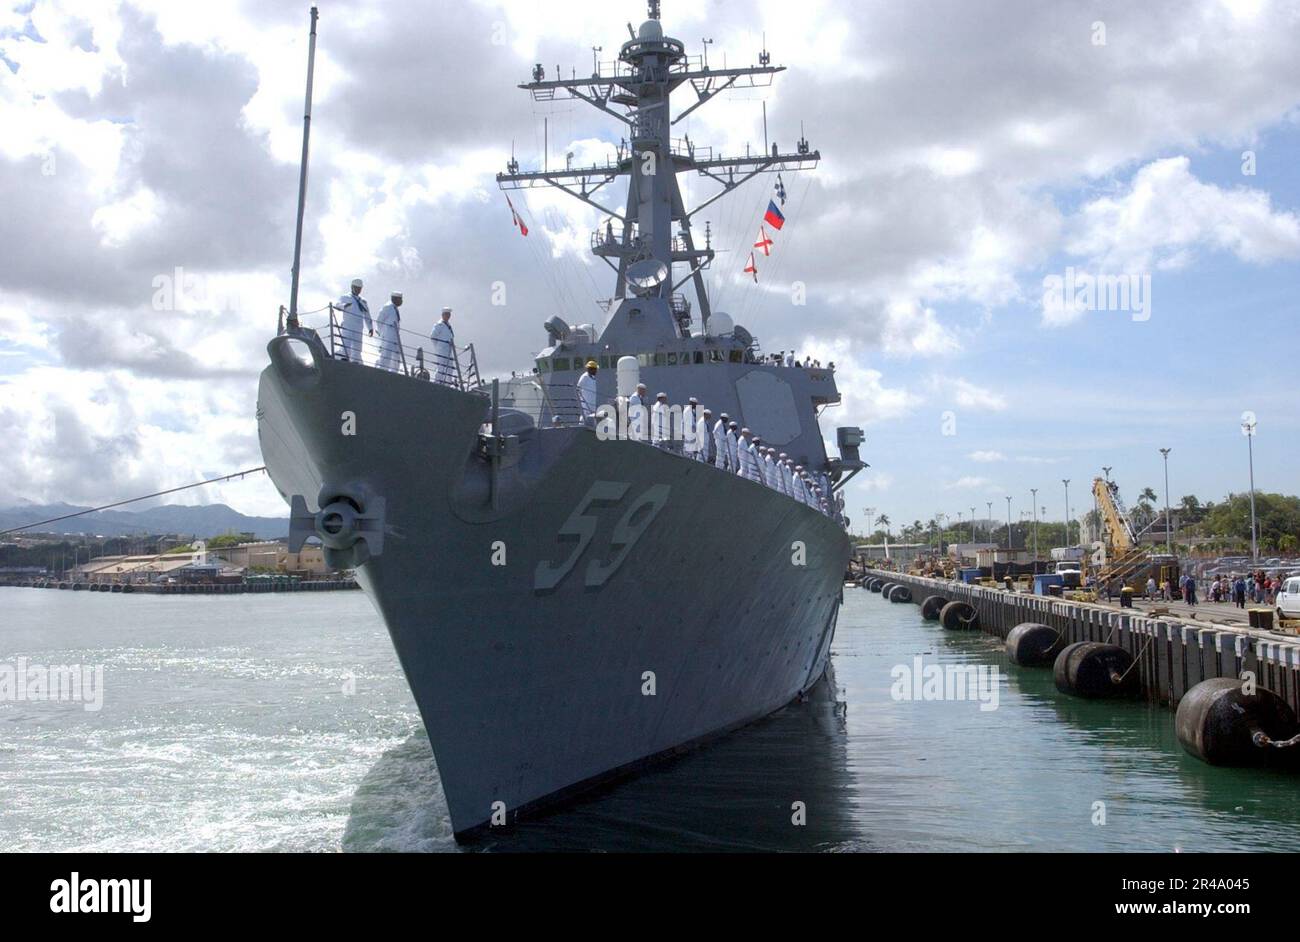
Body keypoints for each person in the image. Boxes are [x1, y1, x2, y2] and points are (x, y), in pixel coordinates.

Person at [336, 278, 372, 362]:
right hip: (348, 325)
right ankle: (343, 359)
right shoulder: (345, 297)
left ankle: (356, 361)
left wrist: (370, 328)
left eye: (359, 288)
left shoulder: (363, 301)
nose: (358, 290)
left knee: (358, 346)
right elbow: (337, 305)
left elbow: (367, 315)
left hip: (358, 327)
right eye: (356, 287)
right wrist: (344, 306)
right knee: (346, 344)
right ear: (352, 287)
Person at [374, 291, 403, 372]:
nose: (401, 301)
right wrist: (382, 334)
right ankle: (382, 370)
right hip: (388, 334)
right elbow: (379, 320)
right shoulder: (388, 307)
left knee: (396, 355)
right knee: (386, 354)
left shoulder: (395, 308)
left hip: (395, 335)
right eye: (400, 299)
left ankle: (394, 372)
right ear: (394, 299)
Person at [431, 306, 456, 385]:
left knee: (449, 368)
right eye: (446, 314)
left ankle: (448, 384)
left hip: (448, 349)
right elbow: (433, 337)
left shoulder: (448, 325)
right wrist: (439, 346)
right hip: (442, 349)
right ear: (443, 315)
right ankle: (437, 383)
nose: (448, 316)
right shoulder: (439, 325)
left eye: (449, 314)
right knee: (441, 367)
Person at [576, 360, 599, 424]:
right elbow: (578, 388)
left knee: (592, 416)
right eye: (595, 369)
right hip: (586, 402)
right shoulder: (585, 377)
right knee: (584, 416)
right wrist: (582, 398)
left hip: (592, 402)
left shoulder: (593, 378)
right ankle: (581, 426)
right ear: (591, 369)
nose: (596, 371)